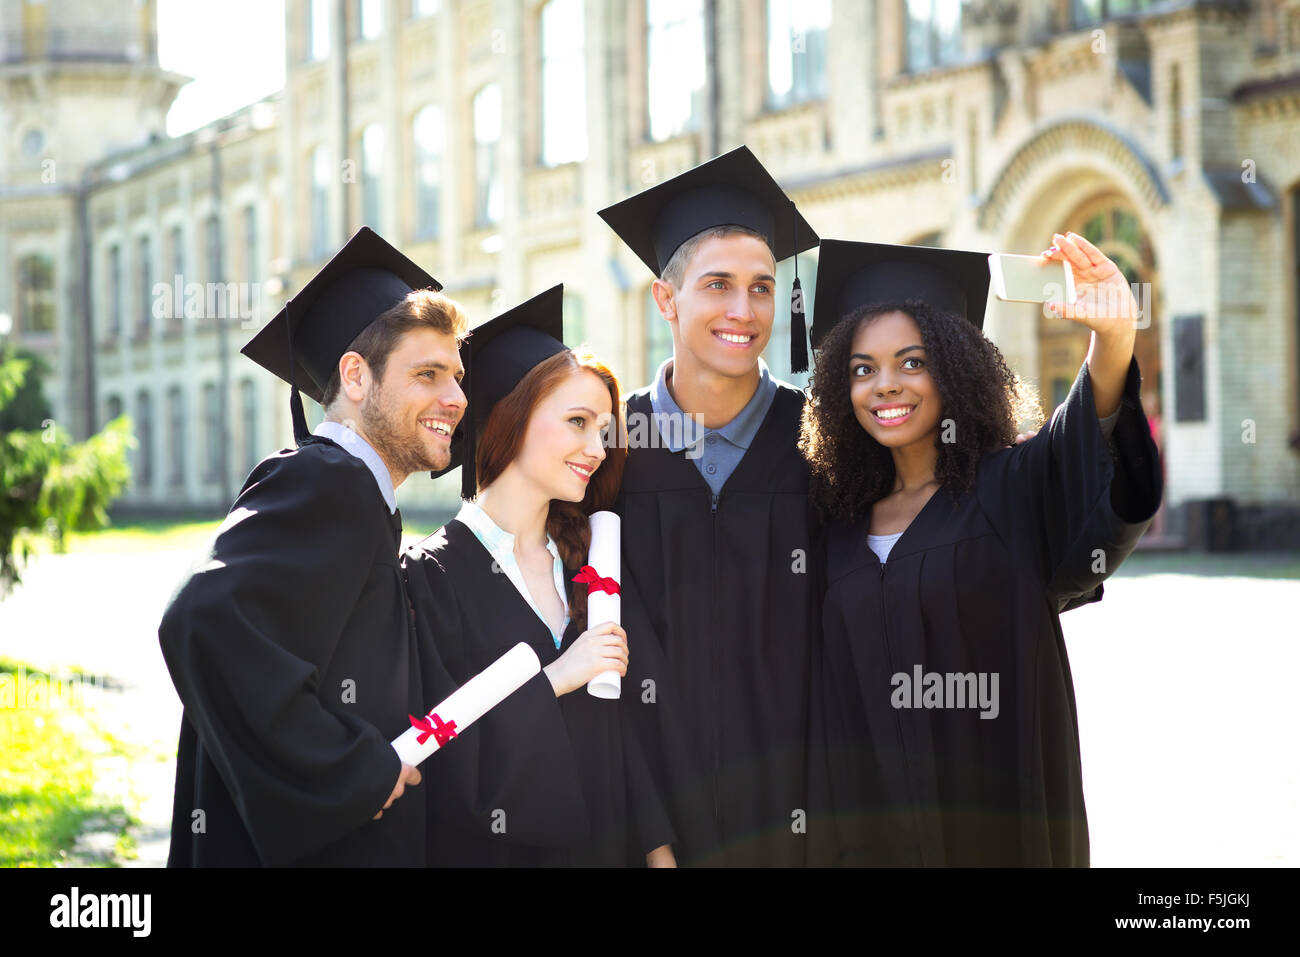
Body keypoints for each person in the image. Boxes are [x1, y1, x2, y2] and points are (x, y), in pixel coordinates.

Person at [800, 235, 1163, 865]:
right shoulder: (835, 526)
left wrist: (1113, 337)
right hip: (868, 831)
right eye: (863, 369)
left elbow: (1085, 443)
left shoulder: (1011, 488)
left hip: (998, 825)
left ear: (957, 367)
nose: (885, 385)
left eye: (912, 362)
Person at [159, 227, 469, 866]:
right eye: (429, 374)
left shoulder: (350, 490)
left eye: (458, 376)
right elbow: (202, 618)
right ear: (356, 376)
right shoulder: (328, 481)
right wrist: (350, 772)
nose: (457, 399)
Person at [597, 146, 821, 866]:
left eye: (761, 287)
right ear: (666, 299)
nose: (742, 310)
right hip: (653, 822)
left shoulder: (821, 442)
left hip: (804, 820)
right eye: (717, 284)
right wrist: (647, 834)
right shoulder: (608, 451)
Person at [403, 285, 677, 866]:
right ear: (512, 417)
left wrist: (659, 854)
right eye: (577, 421)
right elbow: (439, 755)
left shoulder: (591, 565)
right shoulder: (430, 578)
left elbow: (626, 732)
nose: (598, 448)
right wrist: (554, 679)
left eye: (603, 428)